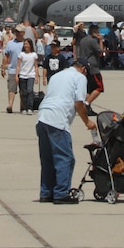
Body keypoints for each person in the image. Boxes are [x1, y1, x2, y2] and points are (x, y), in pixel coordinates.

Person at [35, 56, 97, 204]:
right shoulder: (80, 77)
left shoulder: (57, 75)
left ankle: (46, 192)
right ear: (83, 68)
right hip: (58, 119)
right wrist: (87, 121)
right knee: (66, 159)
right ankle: (61, 193)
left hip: (43, 117)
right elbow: (79, 103)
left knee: (48, 159)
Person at [76, 24, 105, 115]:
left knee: (89, 89)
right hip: (93, 67)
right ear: (94, 32)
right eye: (97, 32)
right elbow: (100, 51)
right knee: (99, 87)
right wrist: (100, 40)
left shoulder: (83, 40)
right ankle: (86, 104)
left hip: (84, 66)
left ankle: (86, 109)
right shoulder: (92, 41)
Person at [2, 24, 26, 113]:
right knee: (11, 89)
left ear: (23, 33)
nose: (18, 33)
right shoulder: (10, 43)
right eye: (16, 32)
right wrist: (3, 68)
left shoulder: (26, 43)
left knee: (23, 90)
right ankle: (10, 105)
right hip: (12, 69)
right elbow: (6, 56)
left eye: (20, 32)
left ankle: (22, 107)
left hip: (24, 70)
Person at [17, 39, 39, 114]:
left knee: (30, 91)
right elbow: (18, 65)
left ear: (30, 45)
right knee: (24, 92)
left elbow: (36, 66)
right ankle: (24, 108)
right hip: (22, 75)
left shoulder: (34, 55)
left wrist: (36, 76)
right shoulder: (21, 54)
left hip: (31, 75)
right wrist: (17, 75)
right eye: (25, 44)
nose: (26, 46)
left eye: (27, 44)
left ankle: (30, 108)